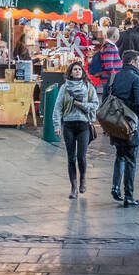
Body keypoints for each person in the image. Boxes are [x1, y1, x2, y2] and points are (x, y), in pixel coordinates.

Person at [54, 61, 99, 199]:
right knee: (71, 158)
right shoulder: (64, 88)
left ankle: (83, 179)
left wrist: (82, 105)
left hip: (84, 125)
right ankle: (73, 187)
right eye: (75, 69)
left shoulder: (88, 86)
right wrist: (57, 125)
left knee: (81, 156)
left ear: (83, 72)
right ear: (70, 72)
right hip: (69, 125)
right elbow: (58, 107)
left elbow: (95, 104)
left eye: (80, 69)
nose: (77, 71)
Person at [108, 50, 139, 207]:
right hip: (130, 123)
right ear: (132, 62)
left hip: (116, 121)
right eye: (138, 61)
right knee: (131, 159)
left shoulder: (116, 76)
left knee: (120, 155)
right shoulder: (136, 79)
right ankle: (129, 195)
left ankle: (115, 187)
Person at [89, 28, 122, 95]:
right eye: (118, 33)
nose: (119, 35)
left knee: (108, 96)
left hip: (109, 77)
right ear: (114, 36)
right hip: (109, 78)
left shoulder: (108, 45)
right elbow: (108, 65)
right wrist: (114, 76)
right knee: (108, 97)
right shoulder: (109, 47)